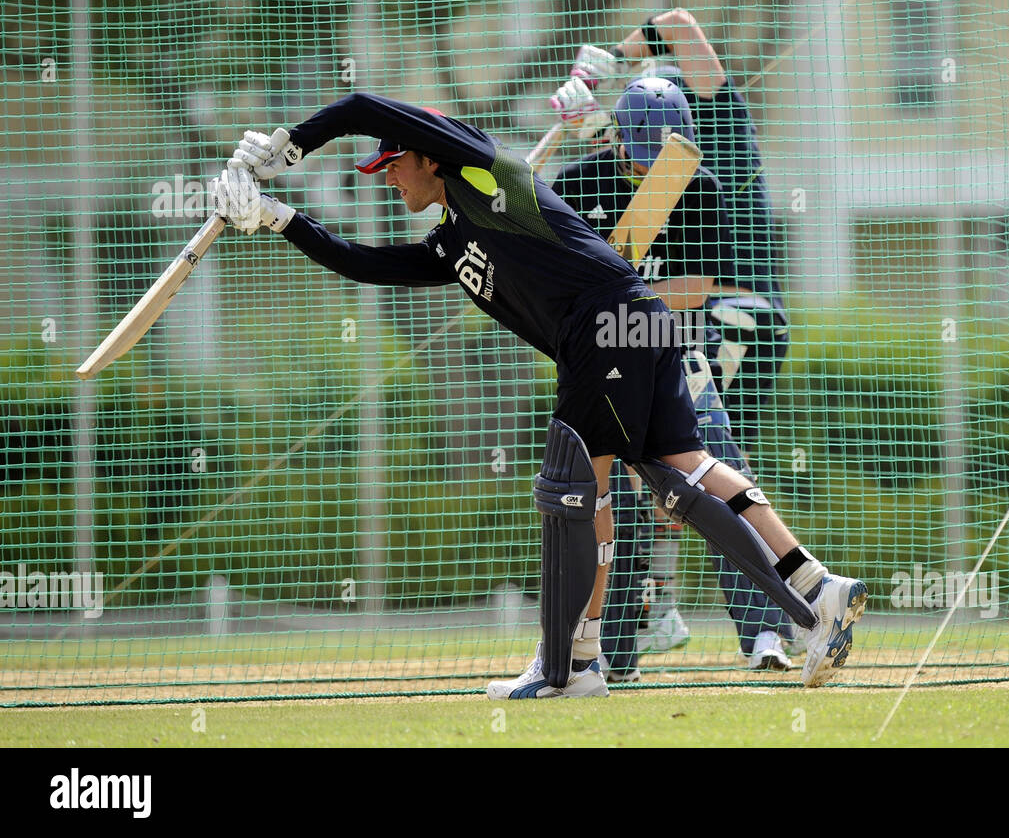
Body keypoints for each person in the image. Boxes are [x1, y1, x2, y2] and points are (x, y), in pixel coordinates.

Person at [213, 91, 866, 697]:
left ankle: (571, 662)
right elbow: (368, 264)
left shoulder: (479, 168)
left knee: (575, 486)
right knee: (686, 472)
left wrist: (287, 148)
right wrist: (277, 218)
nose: (388, 177)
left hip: (599, 321)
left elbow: (360, 104)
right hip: (638, 316)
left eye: (393, 163)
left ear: (427, 153)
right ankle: (818, 590)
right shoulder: (450, 238)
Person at [556, 9, 795, 657]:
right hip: (688, 325)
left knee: (697, 463)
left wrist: (599, 62)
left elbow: (680, 25)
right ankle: (670, 609)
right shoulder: (639, 165)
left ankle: (749, 615)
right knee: (679, 472)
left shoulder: (713, 127)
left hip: (731, 317)